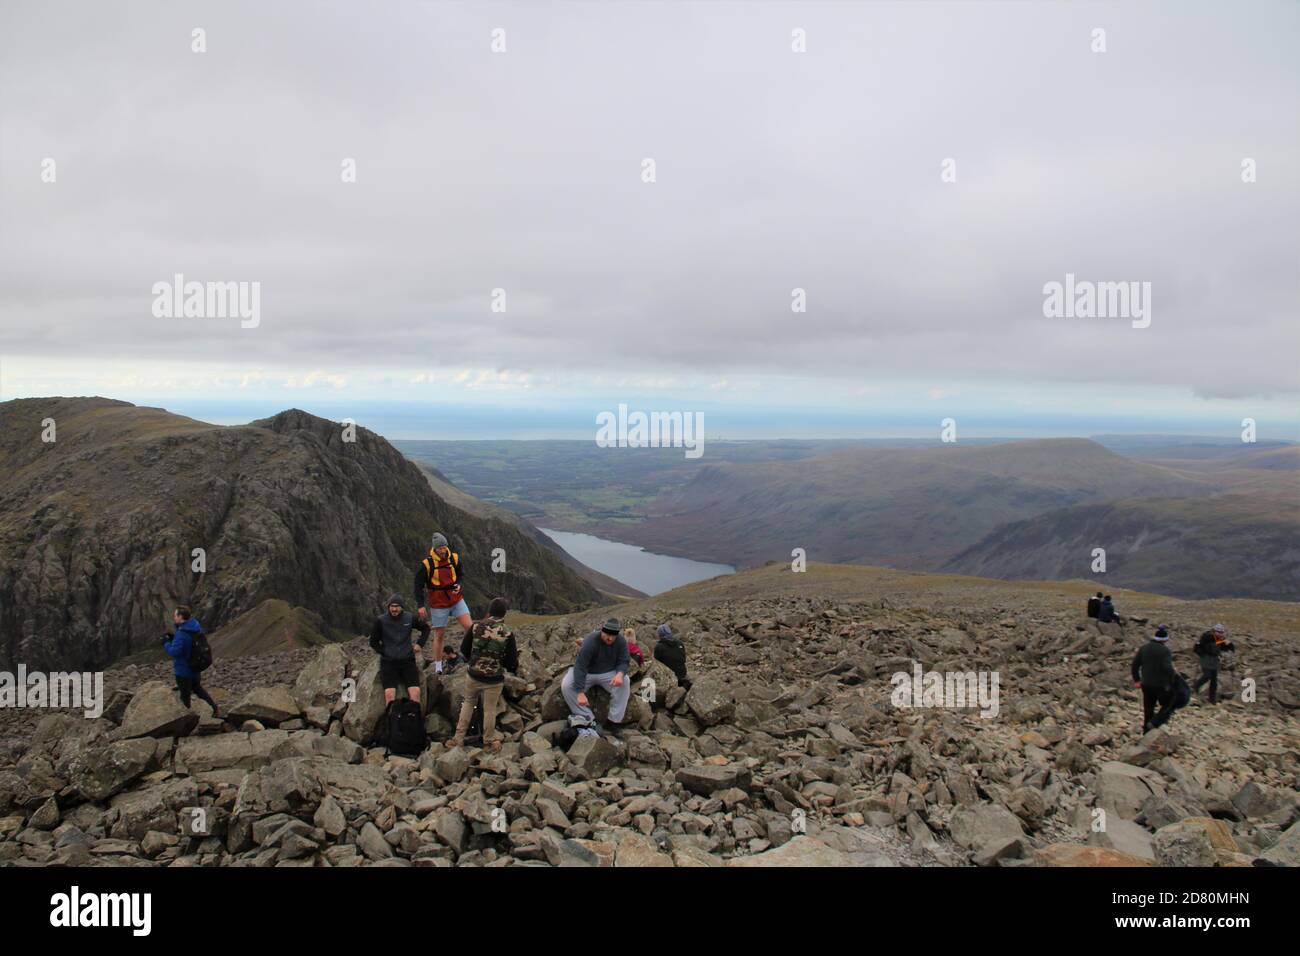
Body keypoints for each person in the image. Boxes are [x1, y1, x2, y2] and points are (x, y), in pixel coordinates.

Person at [448, 597, 519, 752]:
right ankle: (488, 742)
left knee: (468, 703)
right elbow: (512, 661)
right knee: (490, 710)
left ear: (489, 612)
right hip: (494, 679)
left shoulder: (475, 627)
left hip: (473, 675)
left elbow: (464, 650)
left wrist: (473, 662)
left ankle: (458, 739)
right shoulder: (507, 633)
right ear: (504, 613)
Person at [413, 532, 473, 673]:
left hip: (456, 598)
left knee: (471, 629)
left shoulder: (454, 558)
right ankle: (438, 667)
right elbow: (418, 585)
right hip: (438, 603)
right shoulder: (427, 564)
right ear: (434, 548)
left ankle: (471, 658)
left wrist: (459, 584)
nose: (443, 550)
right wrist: (420, 605)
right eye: (440, 548)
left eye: (444, 547)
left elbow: (460, 573)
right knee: (439, 635)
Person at [562, 617, 631, 738]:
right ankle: (589, 719)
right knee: (567, 685)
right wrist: (580, 691)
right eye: (606, 634)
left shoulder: (621, 641)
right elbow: (580, 666)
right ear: (602, 631)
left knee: (625, 681)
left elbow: (624, 660)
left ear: (617, 635)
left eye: (612, 636)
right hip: (587, 673)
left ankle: (614, 722)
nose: (609, 638)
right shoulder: (590, 641)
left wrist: (620, 674)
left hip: (608, 673)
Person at [369, 594, 432, 706]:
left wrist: (419, 645)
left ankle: (414, 718)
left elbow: (426, 628)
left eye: (397, 606)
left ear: (402, 607)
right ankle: (393, 720)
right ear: (388, 607)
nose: (394, 609)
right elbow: (373, 641)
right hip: (388, 663)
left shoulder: (409, 618)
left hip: (407, 661)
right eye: (391, 606)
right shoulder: (381, 621)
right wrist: (385, 652)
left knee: (416, 693)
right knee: (389, 695)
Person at [164, 606, 219, 715]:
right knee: (198, 689)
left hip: (183, 671)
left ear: (180, 616)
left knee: (185, 696)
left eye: (175, 615)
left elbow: (175, 652)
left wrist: (165, 643)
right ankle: (214, 709)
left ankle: (186, 719)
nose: (173, 617)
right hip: (195, 668)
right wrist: (174, 639)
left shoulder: (182, 634)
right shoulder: (194, 628)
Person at [1131, 625, 1176, 733]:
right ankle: (1155, 722)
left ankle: (1146, 731)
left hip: (1146, 683)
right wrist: (1173, 678)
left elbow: (1135, 665)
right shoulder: (1165, 651)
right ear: (1165, 640)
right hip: (1161, 684)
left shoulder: (1144, 648)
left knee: (1148, 707)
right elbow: (1167, 667)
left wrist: (1137, 680)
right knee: (1168, 704)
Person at [1193, 624, 1235, 704]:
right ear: (1214, 631)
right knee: (1207, 675)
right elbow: (1198, 647)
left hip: (1215, 660)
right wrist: (1202, 654)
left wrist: (1230, 645)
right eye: (1218, 632)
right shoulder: (1207, 637)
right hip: (1206, 658)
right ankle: (1195, 687)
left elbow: (1225, 647)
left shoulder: (1220, 639)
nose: (1220, 634)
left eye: (1222, 632)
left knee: (1214, 680)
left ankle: (1212, 699)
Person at [652, 623, 690, 690]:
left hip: (670, 678)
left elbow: (657, 664)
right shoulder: (680, 643)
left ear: (659, 635)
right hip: (682, 674)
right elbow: (683, 658)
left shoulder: (658, 647)